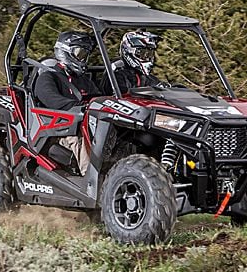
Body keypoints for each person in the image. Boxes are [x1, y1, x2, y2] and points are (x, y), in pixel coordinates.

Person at [32, 29, 100, 172]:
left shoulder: (82, 80)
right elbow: (52, 100)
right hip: (57, 129)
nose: (83, 59)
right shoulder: (49, 76)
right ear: (66, 51)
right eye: (80, 54)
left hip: (84, 123)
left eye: (85, 55)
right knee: (79, 138)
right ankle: (90, 182)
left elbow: (98, 98)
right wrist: (80, 107)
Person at [113, 29, 164, 93]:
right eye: (142, 53)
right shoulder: (117, 74)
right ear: (129, 51)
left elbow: (158, 86)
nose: (146, 57)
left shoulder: (144, 76)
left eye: (149, 53)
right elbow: (122, 95)